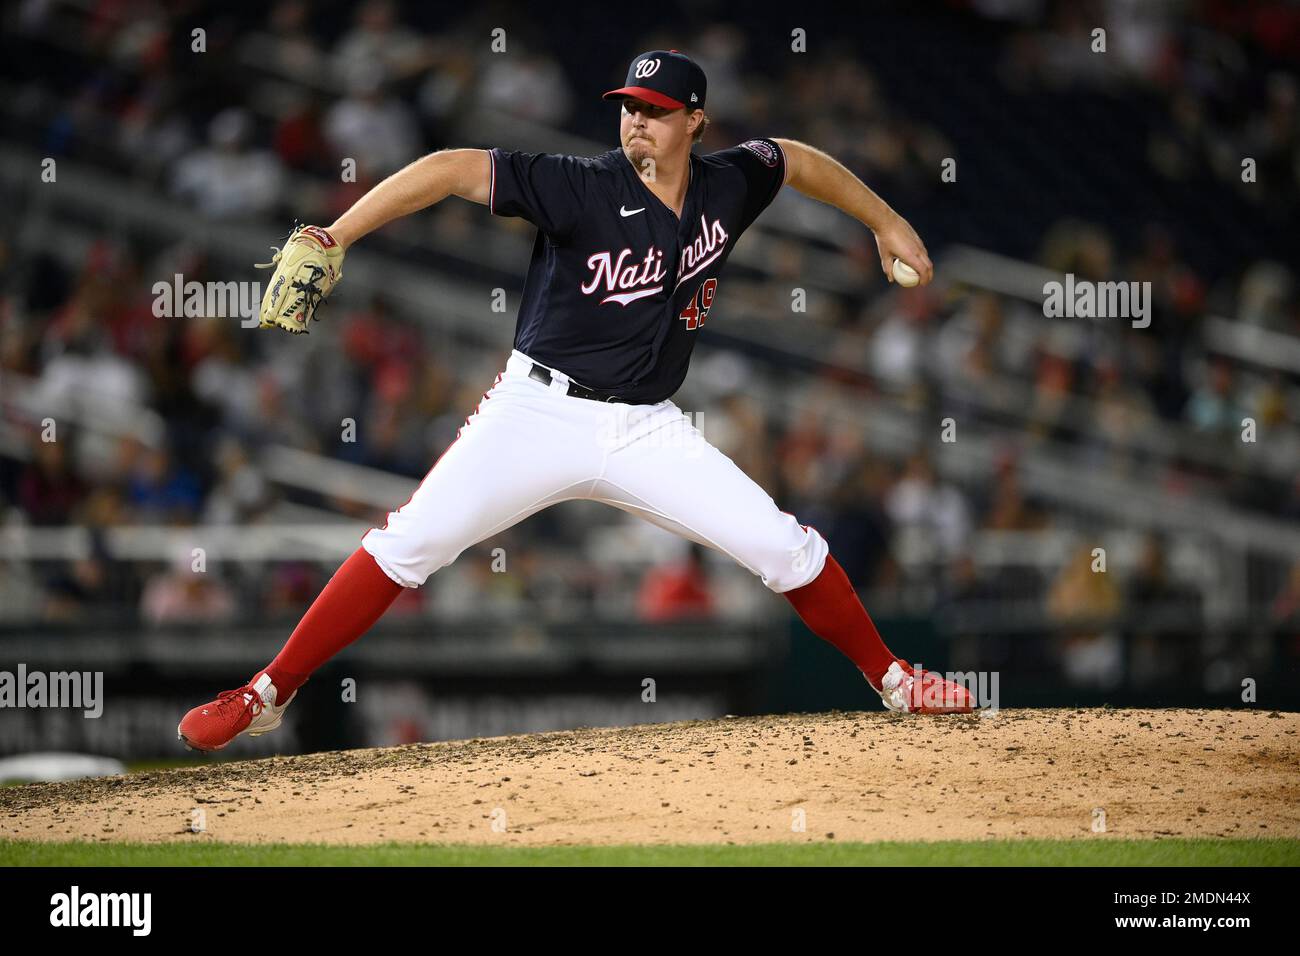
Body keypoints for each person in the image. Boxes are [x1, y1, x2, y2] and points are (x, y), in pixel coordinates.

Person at [179, 49, 972, 752]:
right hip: (537, 413)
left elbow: (793, 158)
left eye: (657, 114)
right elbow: (455, 167)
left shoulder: (731, 184)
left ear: (696, 122)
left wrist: (886, 220)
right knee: (408, 544)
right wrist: (335, 235)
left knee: (784, 549)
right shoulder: (580, 186)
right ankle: (266, 693)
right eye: (630, 108)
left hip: (647, 428)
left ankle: (897, 682)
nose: (638, 124)